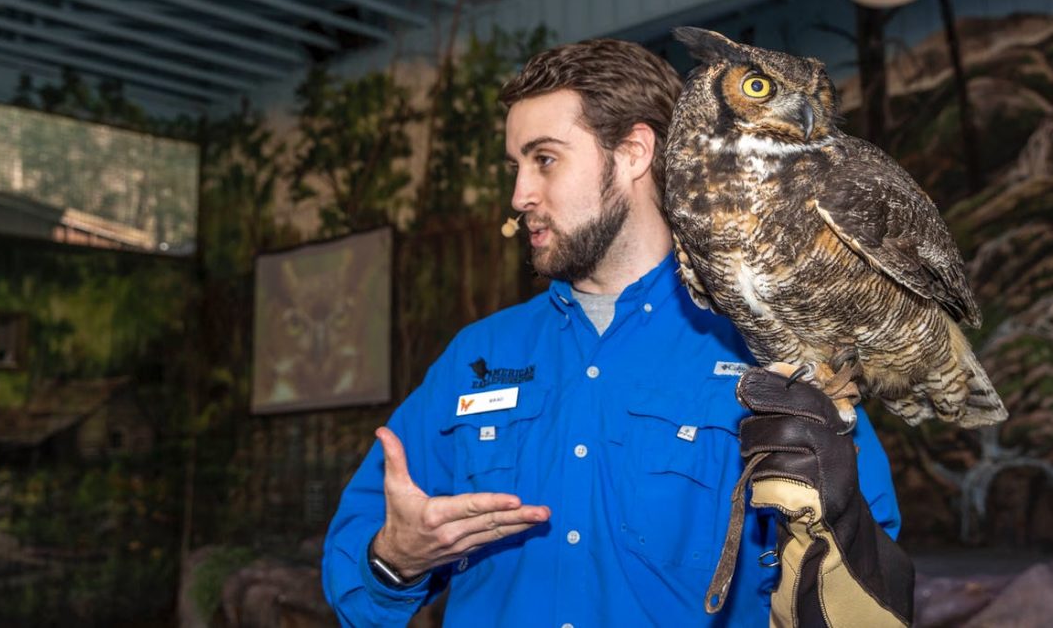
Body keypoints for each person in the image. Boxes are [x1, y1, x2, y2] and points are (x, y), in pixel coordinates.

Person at [322, 39, 912, 627]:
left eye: (544, 159)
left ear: (632, 153)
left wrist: (832, 530)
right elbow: (355, 581)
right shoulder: (477, 356)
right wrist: (394, 561)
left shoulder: (768, 350)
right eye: (516, 166)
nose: (519, 194)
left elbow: (865, 587)